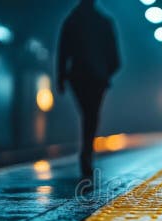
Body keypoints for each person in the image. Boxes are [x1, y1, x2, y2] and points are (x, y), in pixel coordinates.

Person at [57, 0, 121, 178]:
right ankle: (87, 153)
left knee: (87, 113)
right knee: (92, 114)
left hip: (77, 77)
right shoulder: (105, 22)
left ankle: (86, 153)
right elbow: (116, 58)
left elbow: (63, 51)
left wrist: (61, 77)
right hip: (98, 78)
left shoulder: (71, 20)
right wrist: (106, 72)